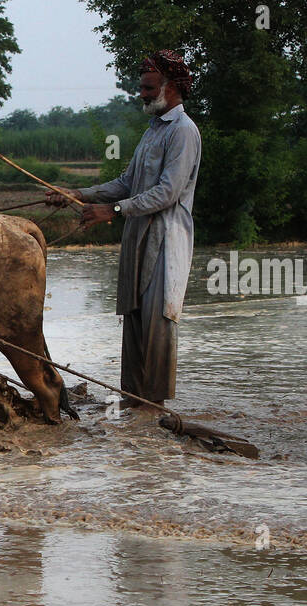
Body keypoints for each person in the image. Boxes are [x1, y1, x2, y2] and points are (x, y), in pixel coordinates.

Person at [46, 50, 201, 411]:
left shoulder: (184, 131)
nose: (143, 95)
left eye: (148, 88)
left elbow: (168, 192)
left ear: (172, 87)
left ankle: (155, 407)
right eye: (142, 88)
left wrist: (112, 211)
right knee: (132, 319)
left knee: (157, 321)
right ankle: (135, 404)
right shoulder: (153, 131)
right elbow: (127, 182)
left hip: (166, 240)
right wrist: (76, 194)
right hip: (137, 237)